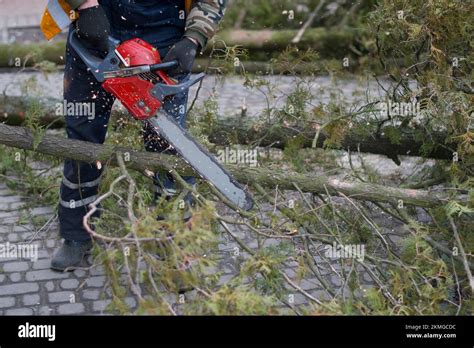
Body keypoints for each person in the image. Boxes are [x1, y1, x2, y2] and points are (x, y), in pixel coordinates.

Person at [39, 0, 227, 271]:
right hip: (97, 21)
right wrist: (85, 5)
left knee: (168, 146)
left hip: (164, 34)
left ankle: (170, 238)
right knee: (81, 138)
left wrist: (194, 37)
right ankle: (76, 235)